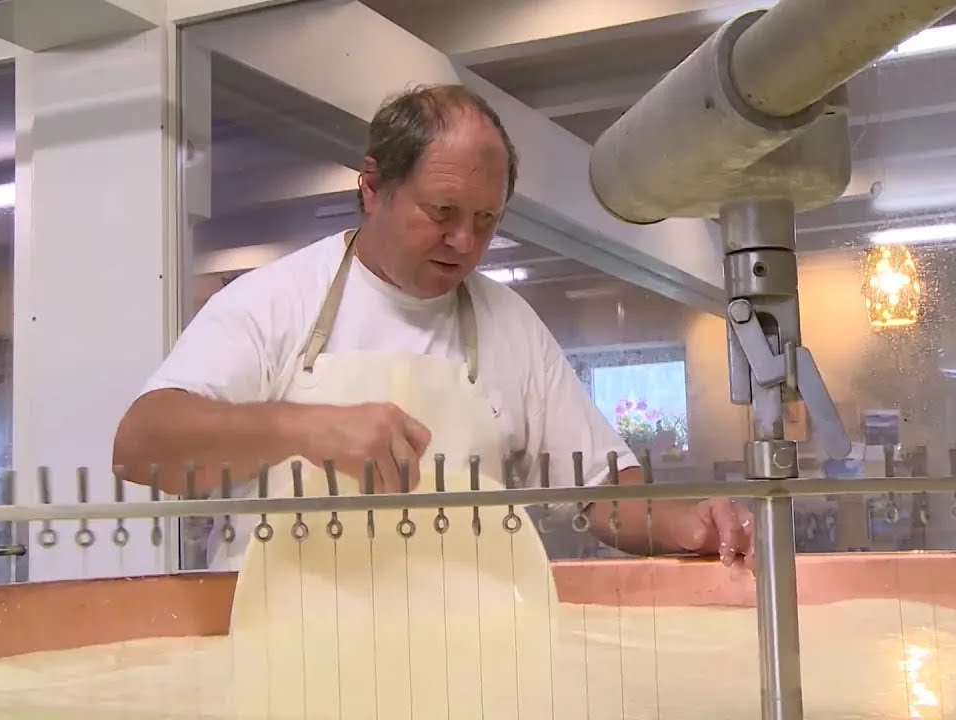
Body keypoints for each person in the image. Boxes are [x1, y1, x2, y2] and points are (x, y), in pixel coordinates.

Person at [112, 83, 754, 570]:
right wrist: (301, 427)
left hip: (464, 653)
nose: (464, 242)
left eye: (486, 220)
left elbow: (601, 491)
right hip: (288, 654)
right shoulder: (275, 302)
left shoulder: (509, 323)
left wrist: (685, 524)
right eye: (442, 211)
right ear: (372, 188)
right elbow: (140, 446)